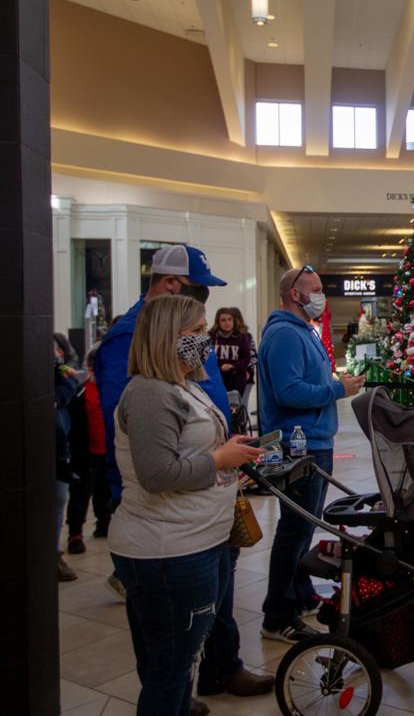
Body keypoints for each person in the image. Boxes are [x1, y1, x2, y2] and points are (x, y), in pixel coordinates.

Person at [94, 245, 274, 702]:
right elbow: (147, 449)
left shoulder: (181, 358)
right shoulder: (137, 350)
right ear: (173, 285)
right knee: (171, 655)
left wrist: (228, 455)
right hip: (168, 520)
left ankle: (219, 668)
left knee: (211, 607)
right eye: (197, 326)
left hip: (203, 505)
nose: (206, 333)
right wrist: (214, 459)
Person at [259, 266, 365, 642]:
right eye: (316, 289)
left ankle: (300, 594)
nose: (321, 295)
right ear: (294, 294)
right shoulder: (286, 334)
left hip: (314, 441)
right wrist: (337, 390)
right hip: (298, 444)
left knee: (302, 526)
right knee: (294, 529)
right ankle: (278, 615)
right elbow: (289, 392)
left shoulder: (303, 330)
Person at [66, 349, 112, 555]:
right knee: (81, 493)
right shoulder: (80, 393)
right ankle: (75, 534)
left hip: (107, 451)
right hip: (85, 453)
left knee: (104, 491)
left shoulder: (111, 390)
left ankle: (103, 524)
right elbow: (72, 426)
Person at [54, 349, 82, 582]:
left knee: (59, 497)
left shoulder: (52, 352)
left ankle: (53, 554)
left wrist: (55, 399)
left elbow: (69, 380)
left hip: (57, 447)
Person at [210, 307, 253, 395]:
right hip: (216, 379)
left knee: (234, 407)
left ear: (234, 320)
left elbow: (247, 358)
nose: (227, 323)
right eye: (223, 320)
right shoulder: (211, 336)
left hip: (236, 381)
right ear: (218, 322)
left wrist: (232, 366)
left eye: (230, 319)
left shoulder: (241, 337)